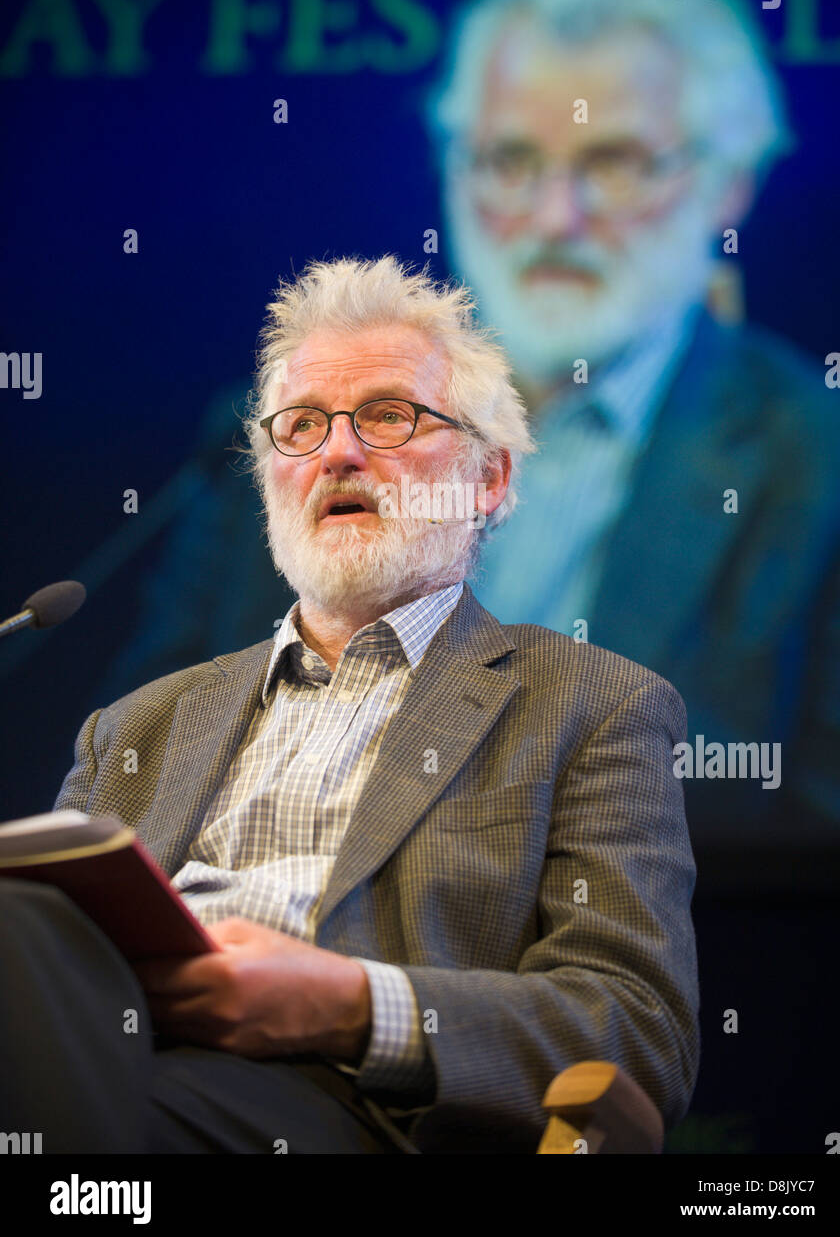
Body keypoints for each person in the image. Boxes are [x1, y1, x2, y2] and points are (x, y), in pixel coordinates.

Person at [96, 0, 840, 867]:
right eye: (508, 159)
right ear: (452, 165)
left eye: (616, 162)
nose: (554, 218)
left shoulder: (830, 465)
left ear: (727, 184)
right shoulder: (286, 429)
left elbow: (824, 859)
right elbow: (135, 782)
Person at [3, 256, 699, 1154]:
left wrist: (350, 1006)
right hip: (96, 1064)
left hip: (353, 1112)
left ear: (488, 481)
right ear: (268, 485)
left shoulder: (591, 706)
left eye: (387, 416)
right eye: (299, 426)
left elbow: (635, 1032)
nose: (336, 451)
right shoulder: (136, 726)